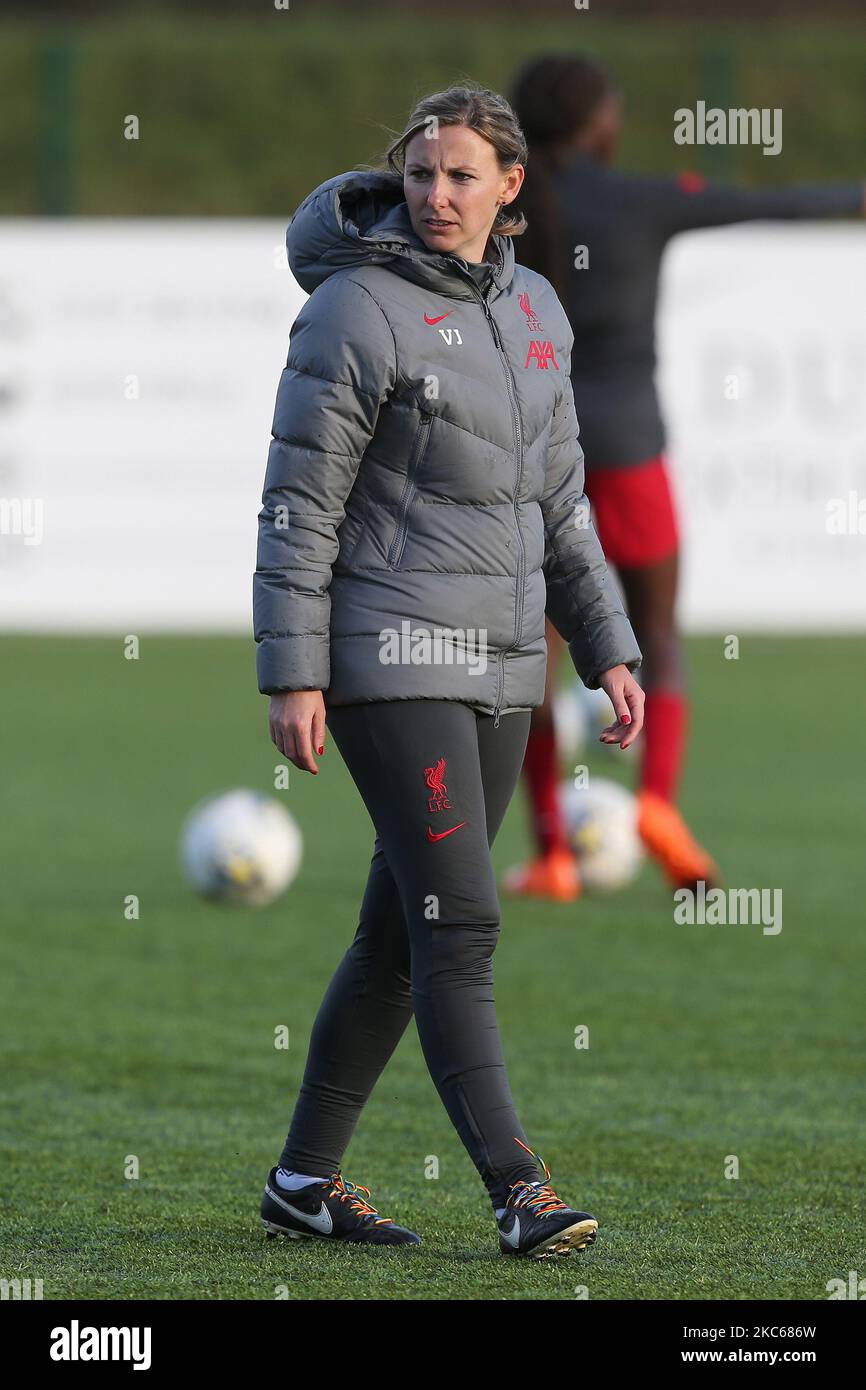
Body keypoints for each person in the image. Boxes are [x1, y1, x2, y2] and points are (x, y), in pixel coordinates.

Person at [253, 83, 643, 1258]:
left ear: (508, 188)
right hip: (387, 654)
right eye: (419, 174)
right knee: (461, 916)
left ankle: (301, 1182)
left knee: (397, 933)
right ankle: (518, 1189)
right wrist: (293, 669)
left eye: (461, 176)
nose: (435, 195)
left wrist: (608, 642)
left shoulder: (535, 312)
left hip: (504, 663)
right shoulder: (352, 310)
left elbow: (560, 503)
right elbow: (297, 506)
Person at [505, 53, 866, 901]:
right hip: (631, 448)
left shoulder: (512, 205)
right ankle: (659, 801)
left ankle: (553, 852)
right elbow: (768, 204)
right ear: (596, 123)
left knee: (535, 658)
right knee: (656, 631)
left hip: (538, 450)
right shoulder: (643, 198)